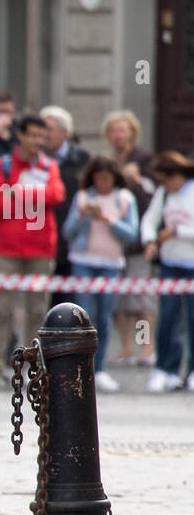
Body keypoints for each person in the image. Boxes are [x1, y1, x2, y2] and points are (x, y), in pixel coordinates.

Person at [0, 114, 65, 383]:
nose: (37, 141)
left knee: (36, 310)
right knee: (1, 309)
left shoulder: (49, 165)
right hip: (7, 248)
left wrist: (18, 193)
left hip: (41, 248)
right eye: (33, 135)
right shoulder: (4, 165)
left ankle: (33, 365)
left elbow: (56, 194)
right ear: (20, 135)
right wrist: (34, 195)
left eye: (42, 136)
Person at [61, 157, 139, 393]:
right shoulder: (83, 197)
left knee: (103, 317)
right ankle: (78, 367)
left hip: (110, 263)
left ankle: (100, 368)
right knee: (82, 316)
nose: (102, 183)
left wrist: (109, 219)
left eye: (106, 178)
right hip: (83, 261)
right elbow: (68, 231)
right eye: (97, 178)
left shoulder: (125, 199)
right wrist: (82, 215)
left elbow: (131, 234)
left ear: (114, 178)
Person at [104, 110, 158, 367]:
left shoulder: (144, 159)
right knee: (119, 301)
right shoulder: (107, 161)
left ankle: (146, 348)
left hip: (137, 242)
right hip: (113, 240)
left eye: (122, 130)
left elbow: (153, 195)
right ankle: (126, 347)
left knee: (140, 298)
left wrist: (136, 179)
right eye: (114, 130)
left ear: (132, 133)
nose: (118, 135)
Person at [141, 151, 194, 393]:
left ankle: (191, 370)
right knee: (169, 318)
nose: (166, 185)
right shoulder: (163, 195)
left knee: (192, 319)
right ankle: (166, 368)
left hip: (191, 263)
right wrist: (150, 240)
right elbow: (149, 221)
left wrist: (177, 231)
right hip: (170, 264)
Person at [41, 105, 94, 291]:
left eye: (49, 129)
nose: (44, 134)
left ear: (64, 132)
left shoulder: (82, 159)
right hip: (44, 236)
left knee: (72, 301)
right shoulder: (35, 160)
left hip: (74, 239)